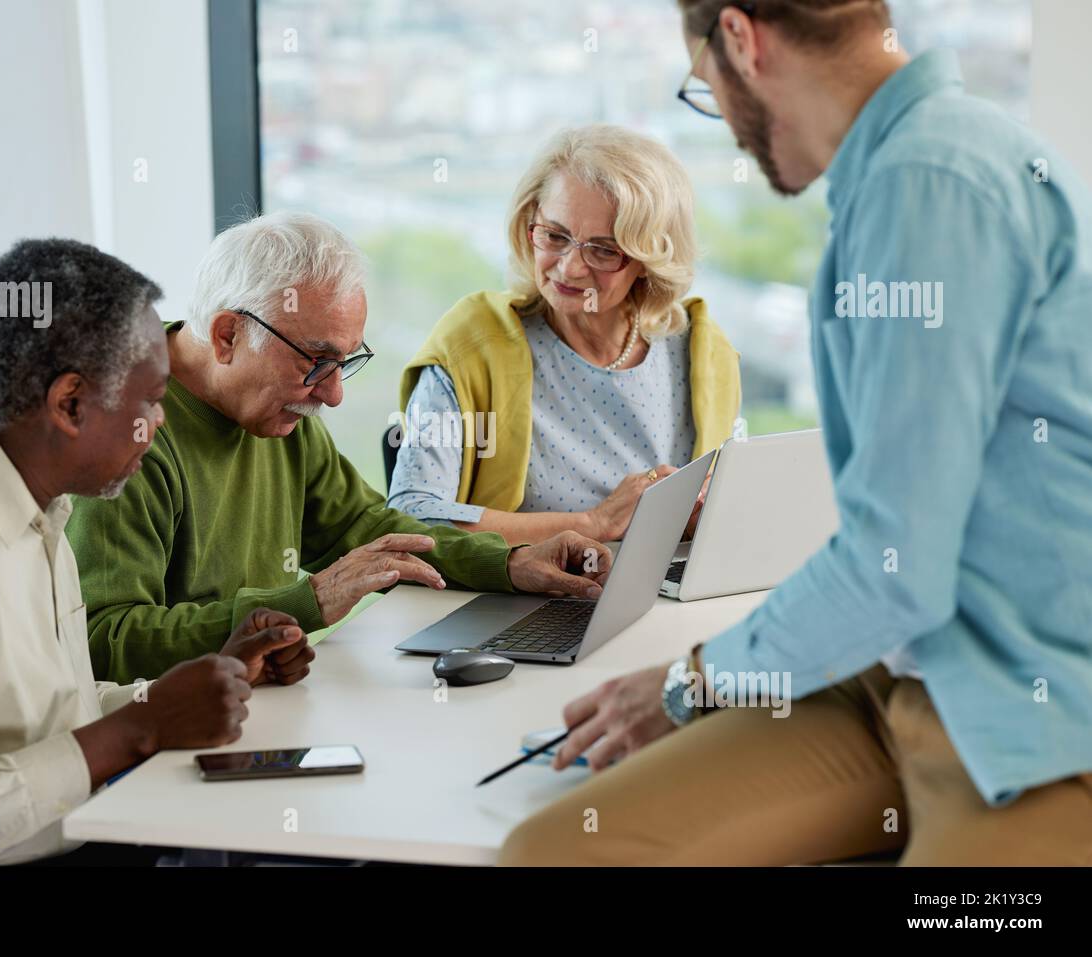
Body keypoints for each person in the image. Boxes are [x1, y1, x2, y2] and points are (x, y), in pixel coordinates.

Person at [501, 0, 1092, 865]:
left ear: (740, 40)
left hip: (1024, 712)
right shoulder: (909, 170)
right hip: (898, 672)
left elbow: (896, 566)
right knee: (556, 851)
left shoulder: (928, 184)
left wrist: (687, 682)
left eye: (708, 89)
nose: (733, 130)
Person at [0, 239, 312, 866]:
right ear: (69, 403)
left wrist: (190, 690)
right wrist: (140, 729)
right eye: (151, 399)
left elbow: (42, 724)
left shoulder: (30, 495)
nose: (162, 421)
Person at [66, 212, 613, 686]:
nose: (332, 393)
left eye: (345, 362)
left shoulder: (279, 410)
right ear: (228, 335)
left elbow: (370, 531)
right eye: (316, 361)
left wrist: (511, 563)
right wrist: (306, 603)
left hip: (259, 702)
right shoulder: (127, 432)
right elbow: (102, 639)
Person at [390, 124, 741, 544]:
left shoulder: (702, 351)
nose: (570, 268)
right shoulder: (472, 345)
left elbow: (728, 515)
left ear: (649, 258)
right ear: (529, 223)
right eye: (555, 236)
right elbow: (412, 518)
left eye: (603, 249)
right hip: (515, 602)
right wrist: (593, 524)